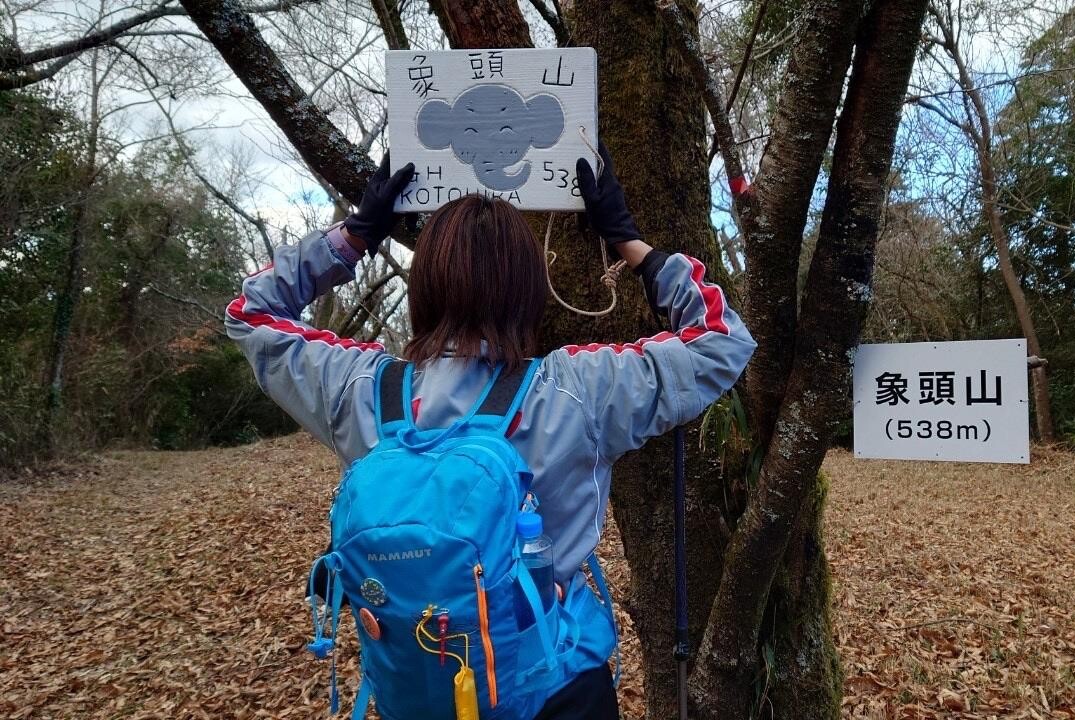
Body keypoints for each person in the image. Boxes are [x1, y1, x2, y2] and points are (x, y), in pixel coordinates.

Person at [225, 148, 756, 719]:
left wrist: (355, 236)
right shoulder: (578, 390)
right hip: (559, 688)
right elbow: (721, 340)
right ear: (527, 291)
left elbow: (250, 314)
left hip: (422, 693)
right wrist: (630, 243)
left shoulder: (356, 390)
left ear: (424, 287)